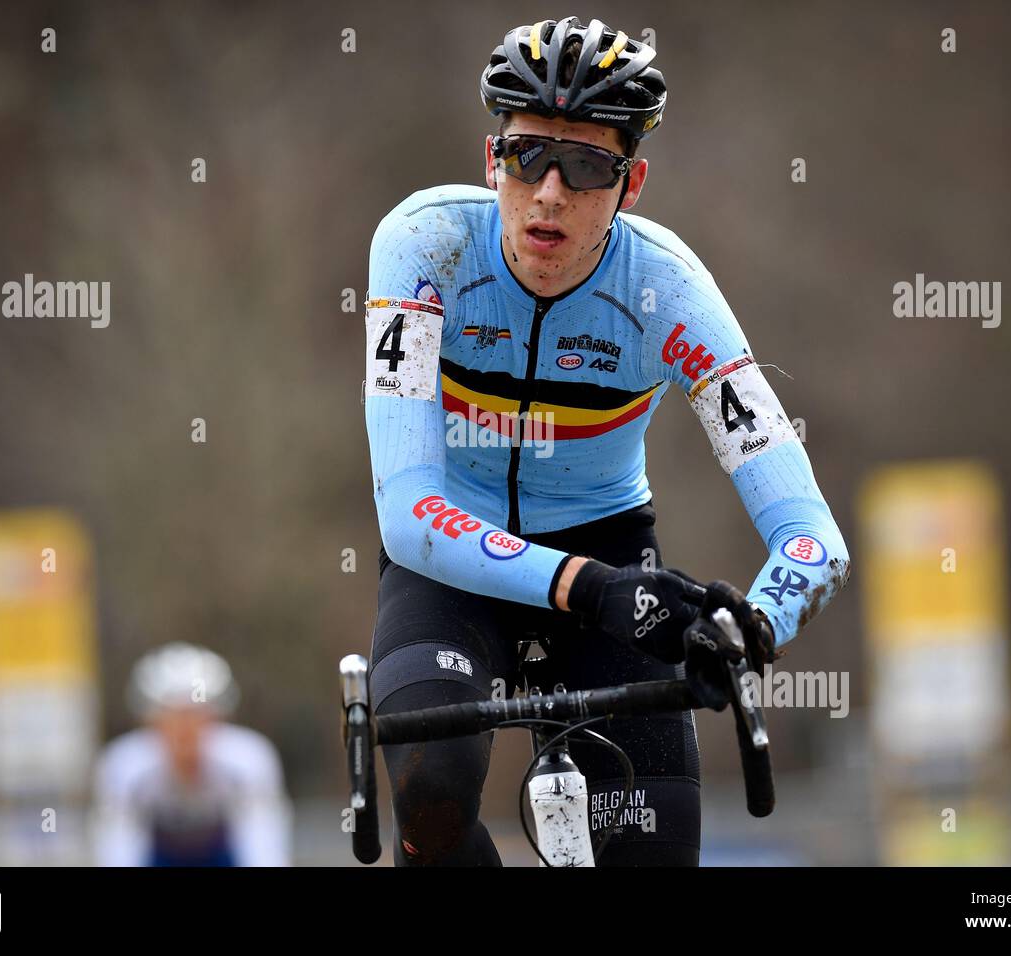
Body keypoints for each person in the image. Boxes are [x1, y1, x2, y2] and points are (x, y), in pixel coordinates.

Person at [362, 16, 850, 866]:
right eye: (527, 157)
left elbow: (814, 542)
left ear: (631, 184)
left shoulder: (668, 291)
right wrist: (590, 589)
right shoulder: (424, 246)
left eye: (585, 165)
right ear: (491, 160)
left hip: (607, 551)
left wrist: (746, 628)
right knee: (430, 796)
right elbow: (407, 516)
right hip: (450, 562)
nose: (550, 191)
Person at [92, 642, 293, 866]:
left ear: (216, 719)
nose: (185, 730)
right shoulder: (125, 767)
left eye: (197, 716)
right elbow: (119, 846)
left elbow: (263, 843)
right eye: (173, 717)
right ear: (151, 723)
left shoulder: (248, 761)